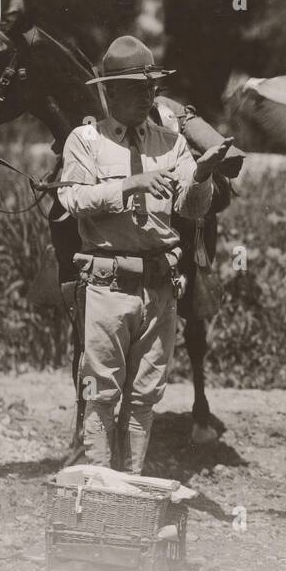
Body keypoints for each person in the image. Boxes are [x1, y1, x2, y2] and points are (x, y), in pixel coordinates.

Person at [57, 35, 234, 473]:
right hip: (106, 288)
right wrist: (127, 186)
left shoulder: (170, 143)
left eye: (151, 86)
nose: (147, 96)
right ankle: (98, 491)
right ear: (109, 92)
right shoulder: (85, 141)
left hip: (159, 289)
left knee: (144, 396)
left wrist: (204, 177)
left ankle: (131, 486)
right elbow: (72, 201)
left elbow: (191, 209)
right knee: (100, 392)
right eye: (136, 88)